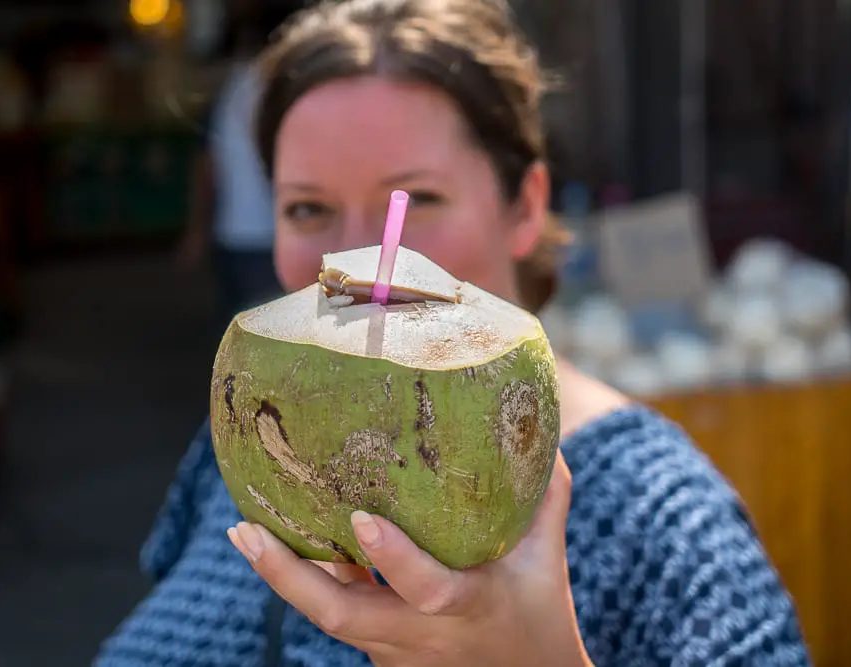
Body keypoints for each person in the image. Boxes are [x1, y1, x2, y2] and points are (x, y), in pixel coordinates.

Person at [97, 1, 811, 665]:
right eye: (308, 208)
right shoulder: (255, 427)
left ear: (525, 204)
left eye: (417, 198)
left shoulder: (661, 518)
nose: (351, 260)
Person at [177, 4, 287, 330]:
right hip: (261, 237)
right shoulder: (267, 89)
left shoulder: (235, 88)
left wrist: (198, 228)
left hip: (238, 235)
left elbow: (206, 164)